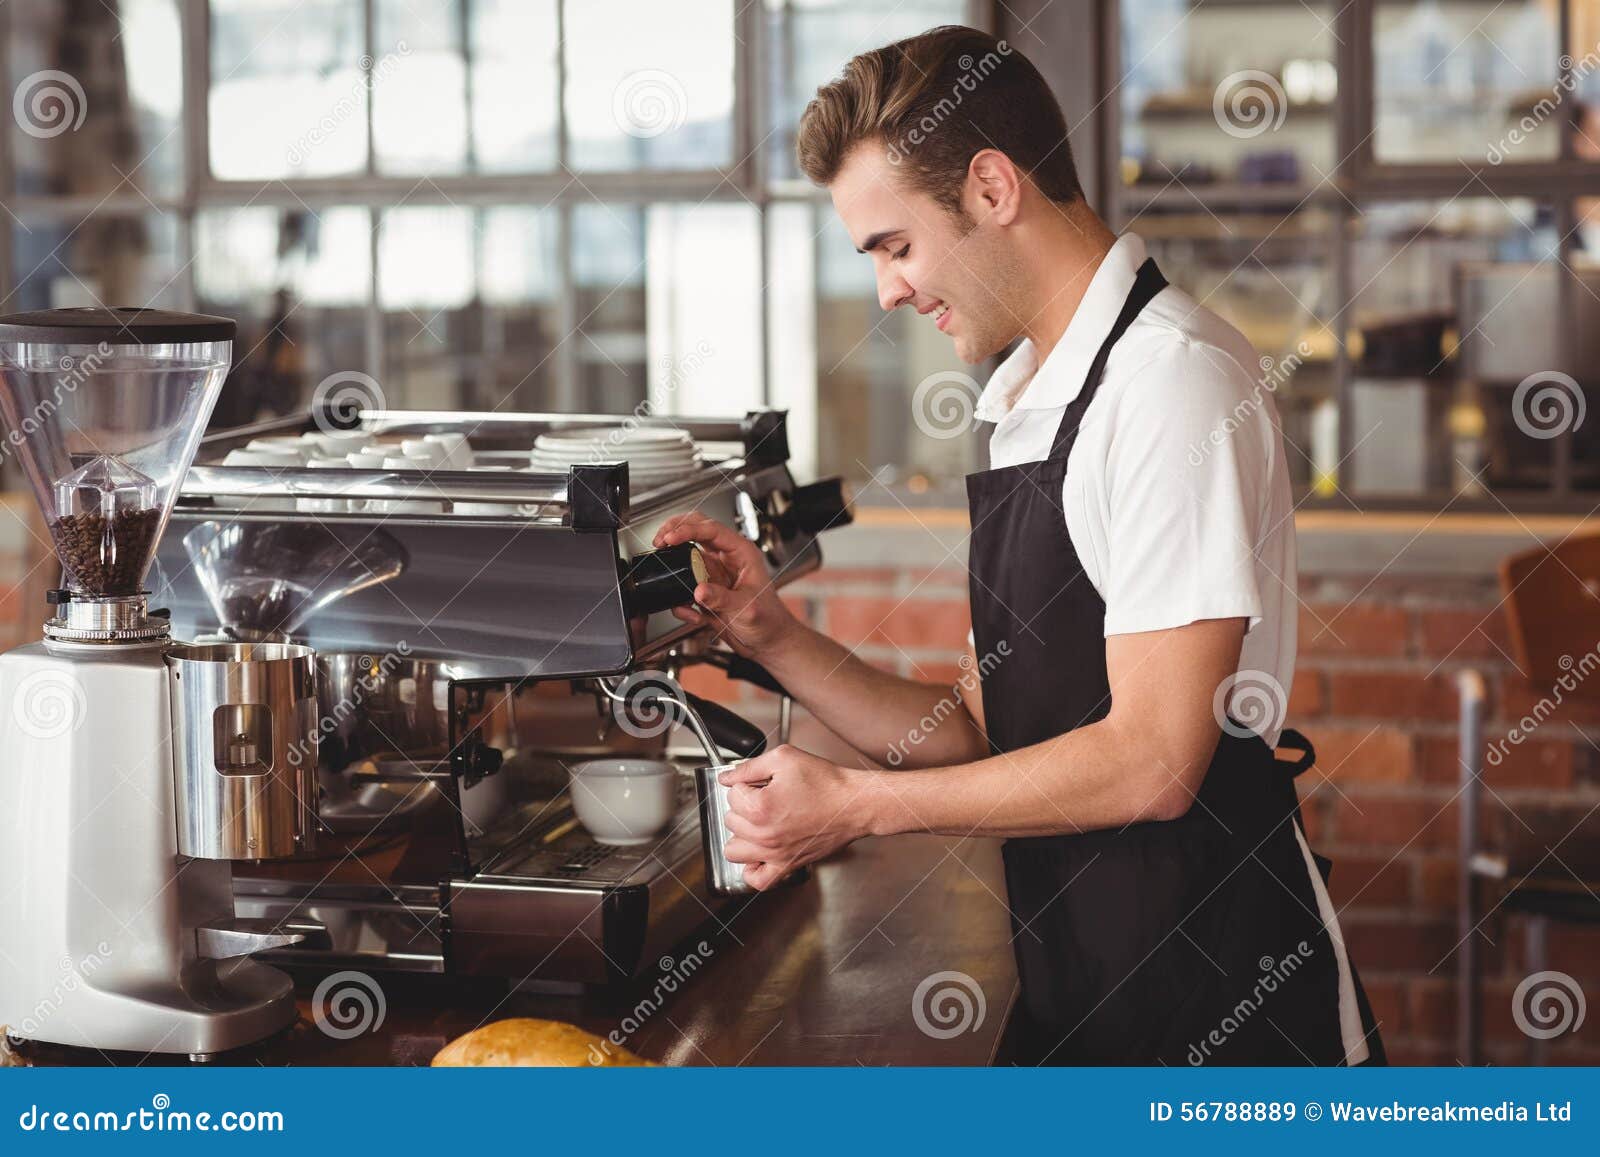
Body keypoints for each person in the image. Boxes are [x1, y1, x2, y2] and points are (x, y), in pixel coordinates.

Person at [653, 25, 1383, 1067]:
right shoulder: (1034, 397)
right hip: (1085, 973)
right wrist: (772, 634)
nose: (887, 293)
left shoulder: (1167, 383)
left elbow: (1152, 762)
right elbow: (979, 728)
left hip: (1223, 995)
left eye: (893, 246)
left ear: (993, 188)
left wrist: (859, 803)